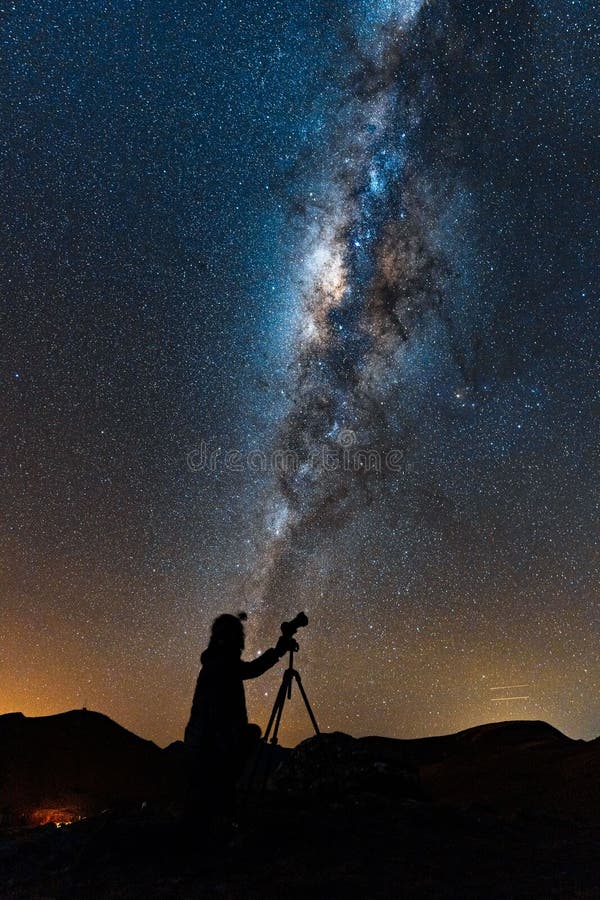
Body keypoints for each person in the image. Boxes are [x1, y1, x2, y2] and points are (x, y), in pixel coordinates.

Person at [182, 611, 292, 836]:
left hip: (203, 743)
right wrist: (280, 649)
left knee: (209, 792)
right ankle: (216, 832)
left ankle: (208, 829)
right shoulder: (223, 664)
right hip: (214, 744)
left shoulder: (215, 663)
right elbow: (253, 669)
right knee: (221, 784)